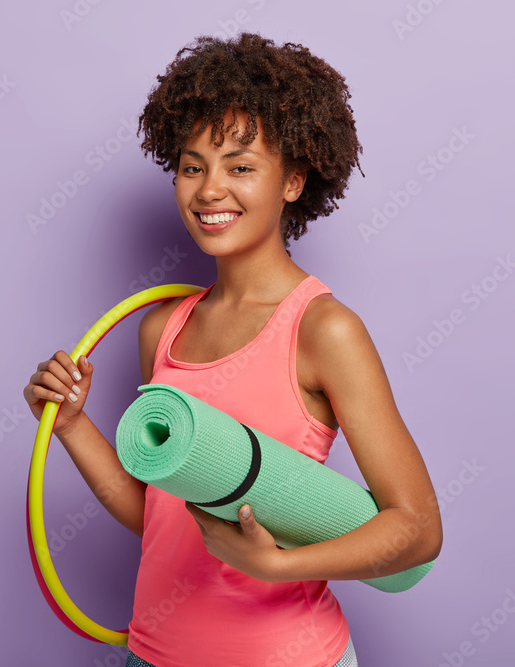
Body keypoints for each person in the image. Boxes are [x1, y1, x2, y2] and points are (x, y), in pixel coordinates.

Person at [23, 32, 442, 666]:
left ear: (294, 179)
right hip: (152, 655)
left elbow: (416, 530)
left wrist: (279, 566)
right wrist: (74, 425)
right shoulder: (159, 329)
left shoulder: (324, 330)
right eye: (192, 166)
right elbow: (163, 520)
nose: (209, 190)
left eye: (240, 166)